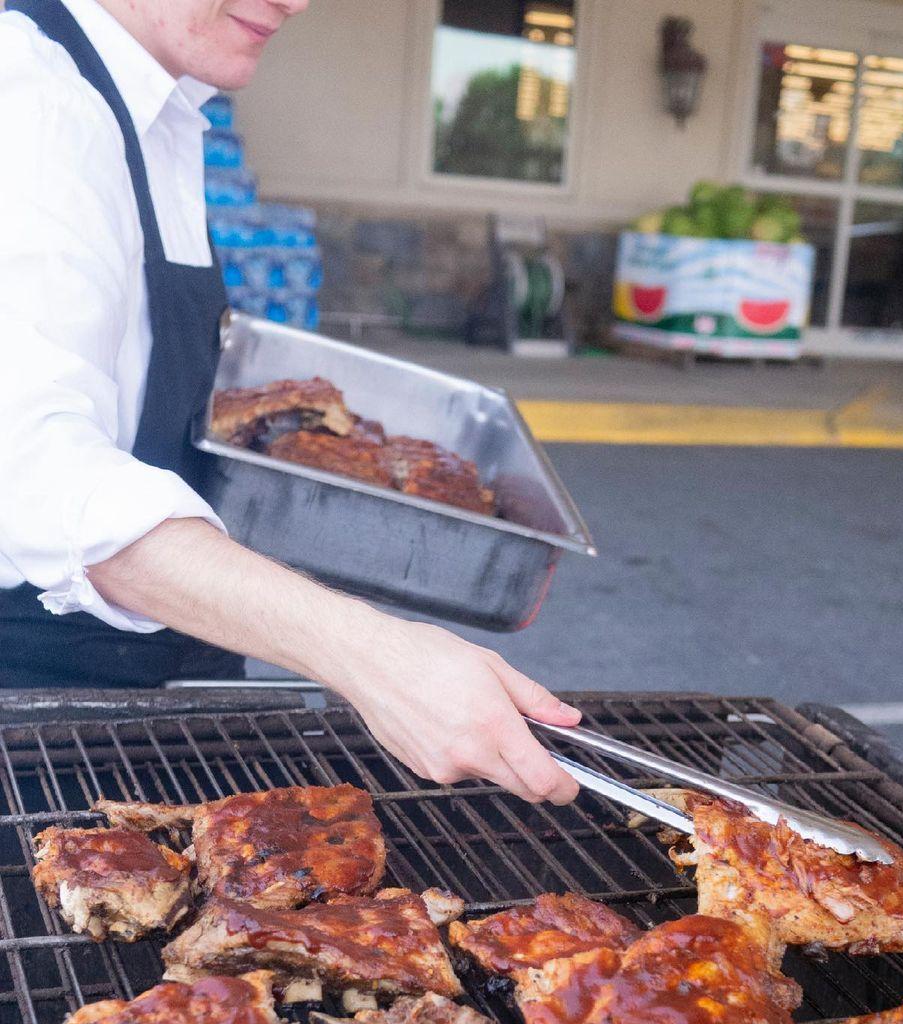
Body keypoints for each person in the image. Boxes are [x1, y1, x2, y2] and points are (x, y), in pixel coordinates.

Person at [0, 0, 579, 805]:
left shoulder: (163, 109)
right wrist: (373, 656)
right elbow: (33, 476)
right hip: (39, 728)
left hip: (175, 680)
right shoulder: (27, 99)